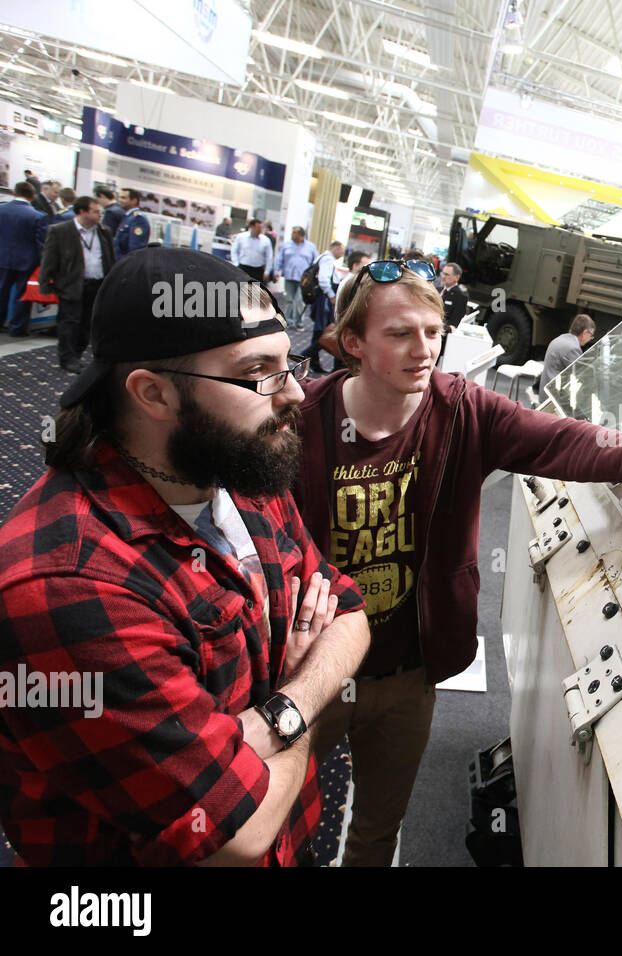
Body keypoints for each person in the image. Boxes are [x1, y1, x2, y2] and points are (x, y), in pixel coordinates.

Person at [296, 260, 622, 866]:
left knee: (377, 831)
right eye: (401, 333)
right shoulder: (304, 421)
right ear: (354, 342)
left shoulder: (461, 411)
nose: (424, 348)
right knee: (272, 822)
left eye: (433, 331)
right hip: (310, 670)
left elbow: (560, 438)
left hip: (407, 673)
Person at [0, 248, 371, 866]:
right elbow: (237, 834)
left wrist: (281, 709)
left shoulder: (240, 472)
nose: (295, 394)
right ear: (153, 393)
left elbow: (350, 612)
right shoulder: (67, 583)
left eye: (290, 364)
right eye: (259, 372)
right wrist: (303, 707)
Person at [38, 195, 115, 373]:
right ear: (82, 212)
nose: (99, 215)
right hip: (71, 285)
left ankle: (77, 354)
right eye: (95, 211)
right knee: (69, 322)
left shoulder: (104, 232)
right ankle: (67, 358)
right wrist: (45, 285)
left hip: (97, 285)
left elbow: (110, 258)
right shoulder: (60, 231)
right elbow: (49, 260)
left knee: (87, 323)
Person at [0, 181, 50, 338]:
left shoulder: (1, 210)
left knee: (1, 292)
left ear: (15, 193)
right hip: (27, 261)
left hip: (2, 259)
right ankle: (18, 328)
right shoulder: (38, 216)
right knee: (22, 295)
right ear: (33, 196)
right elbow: (42, 244)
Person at [307, 240, 343, 374]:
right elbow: (323, 279)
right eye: (342, 250)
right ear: (336, 248)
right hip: (324, 298)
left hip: (320, 297)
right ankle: (309, 354)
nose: (342, 253)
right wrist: (331, 295)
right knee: (324, 329)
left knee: (321, 328)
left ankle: (312, 358)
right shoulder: (328, 259)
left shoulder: (321, 257)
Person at [273, 226, 317, 331]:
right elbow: (279, 259)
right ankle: (287, 321)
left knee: (299, 301)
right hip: (289, 276)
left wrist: (314, 276)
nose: (292, 235)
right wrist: (276, 271)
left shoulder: (311, 247)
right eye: (292, 233)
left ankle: (298, 322)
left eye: (295, 233)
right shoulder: (286, 245)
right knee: (289, 300)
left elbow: (315, 262)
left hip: (304, 280)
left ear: (302, 236)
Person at [540, 313, 595, 394]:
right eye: (591, 336)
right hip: (554, 397)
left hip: (546, 392)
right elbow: (582, 375)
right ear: (585, 333)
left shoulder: (561, 338)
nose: (590, 339)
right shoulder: (572, 348)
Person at [232, 219, 273, 284]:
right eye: (258, 228)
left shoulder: (266, 240)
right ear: (251, 227)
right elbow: (234, 251)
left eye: (261, 228)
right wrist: (236, 264)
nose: (260, 230)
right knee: (241, 289)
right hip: (243, 267)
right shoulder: (241, 237)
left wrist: (267, 271)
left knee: (254, 291)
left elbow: (269, 257)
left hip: (258, 270)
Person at [113, 189, 150, 257]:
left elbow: (136, 249)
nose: (119, 200)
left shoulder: (138, 219)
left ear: (134, 201)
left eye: (123, 198)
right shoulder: (127, 217)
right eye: (119, 197)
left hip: (127, 264)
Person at [438, 261, 468, 330]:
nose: (443, 277)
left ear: (456, 277)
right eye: (443, 273)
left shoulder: (460, 296)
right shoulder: (437, 290)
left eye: (447, 274)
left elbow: (453, 325)